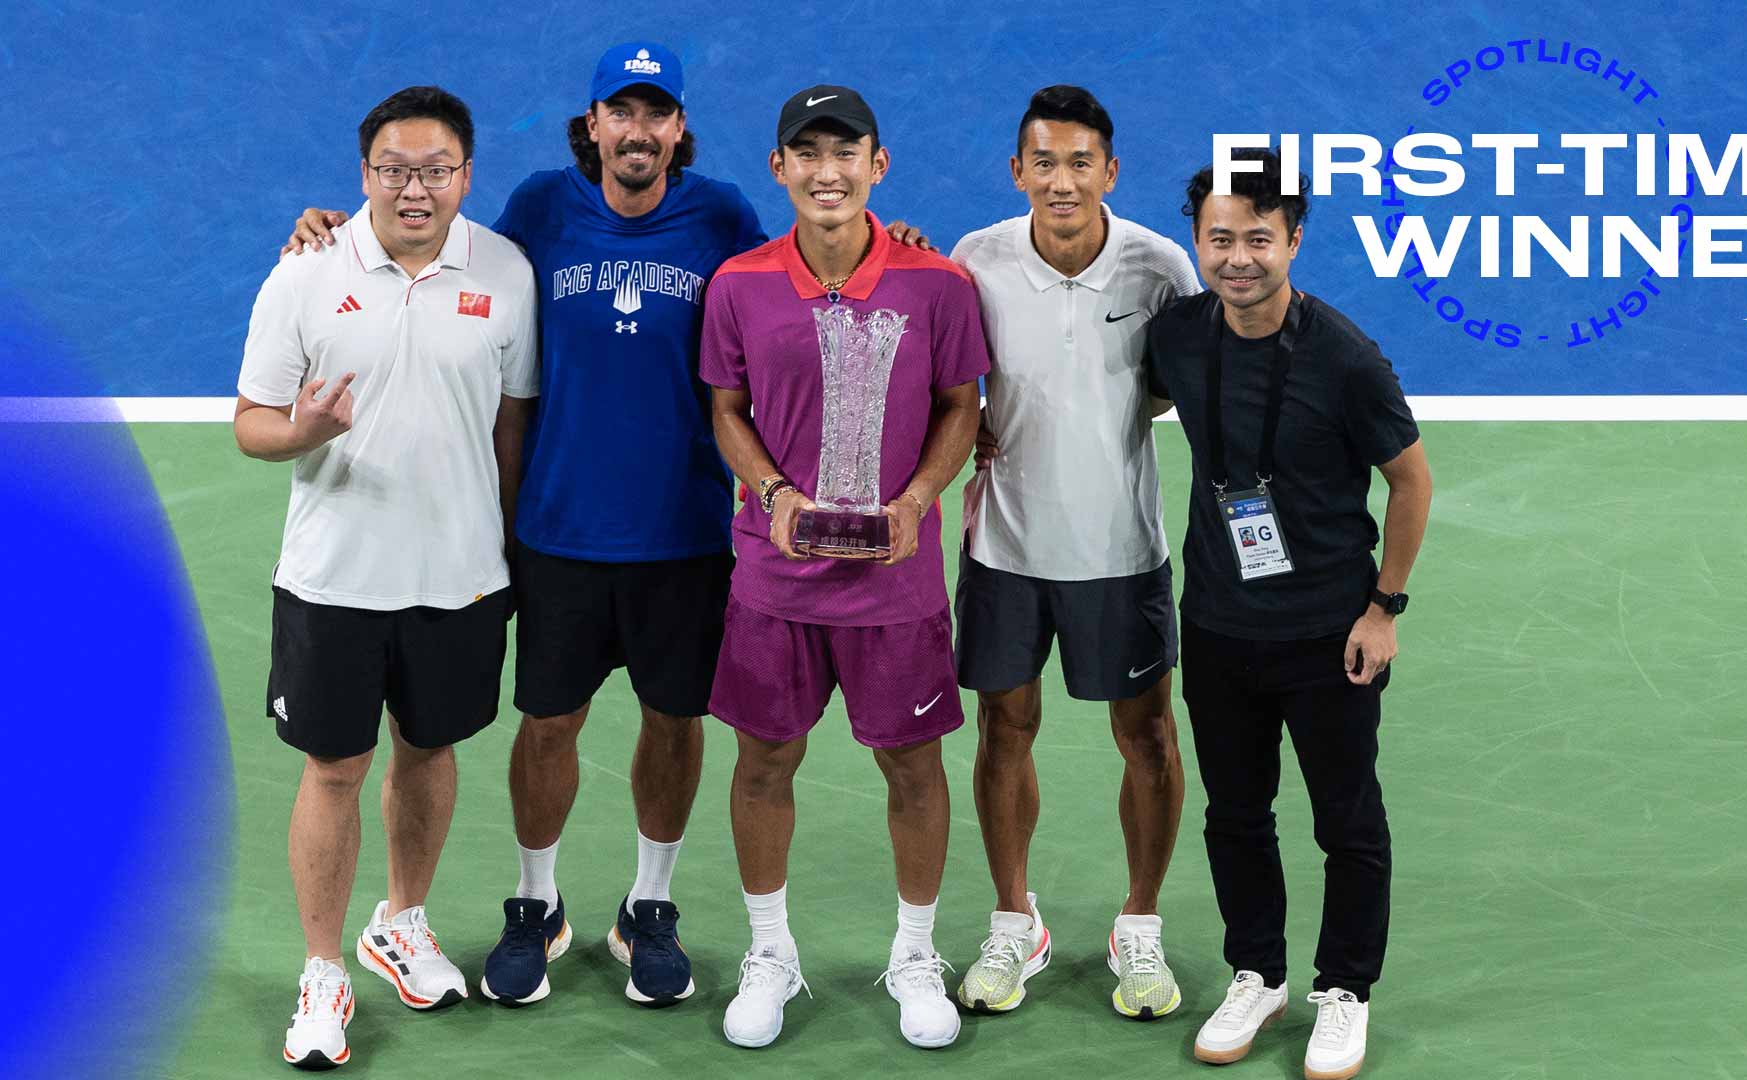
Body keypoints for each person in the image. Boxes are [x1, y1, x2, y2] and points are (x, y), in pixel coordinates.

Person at [282, 41, 762, 1009]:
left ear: (678, 128)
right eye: (617, 115)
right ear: (592, 127)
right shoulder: (541, 209)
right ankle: (537, 906)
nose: (636, 131)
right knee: (549, 724)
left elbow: (796, 274)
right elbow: (446, 253)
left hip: (688, 531)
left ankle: (649, 907)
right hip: (555, 534)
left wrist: (897, 237)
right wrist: (337, 232)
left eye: (655, 114)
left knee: (676, 722)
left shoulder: (723, 215)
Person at [236, 85, 538, 1068]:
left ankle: (400, 923)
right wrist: (303, 432)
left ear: (466, 174)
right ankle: (324, 973)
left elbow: (512, 423)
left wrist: (499, 544)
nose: (415, 189)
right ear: (363, 174)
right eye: (394, 170)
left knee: (430, 750)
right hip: (334, 578)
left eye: (436, 169)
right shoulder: (306, 274)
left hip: (457, 577)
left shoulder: (504, 270)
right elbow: (252, 422)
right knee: (335, 766)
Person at [699, 85, 989, 1050]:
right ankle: (770, 953)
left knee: (912, 764)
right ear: (778, 168)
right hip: (773, 581)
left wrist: (913, 505)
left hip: (894, 582)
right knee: (765, 760)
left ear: (879, 165)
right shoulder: (738, 283)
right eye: (806, 153)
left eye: (846, 152)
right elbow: (727, 412)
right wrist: (775, 498)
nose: (828, 171)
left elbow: (962, 407)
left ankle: (915, 954)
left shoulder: (939, 284)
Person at [1145, 149, 1432, 1079]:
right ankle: (1257, 972)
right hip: (1222, 629)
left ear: (1294, 241)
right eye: (1220, 238)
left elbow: (1412, 481)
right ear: (1197, 241)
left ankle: (1343, 990)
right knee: (1236, 814)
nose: (1239, 258)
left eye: (1259, 239)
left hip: (1328, 634)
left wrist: (1383, 608)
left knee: (1346, 819)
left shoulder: (1346, 358)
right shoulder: (1180, 335)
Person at [945, 85, 1200, 1020]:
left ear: (1110, 171)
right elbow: (942, 373)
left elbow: (1182, 385)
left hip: (1123, 550)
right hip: (1006, 548)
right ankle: (1017, 922)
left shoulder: (1158, 266)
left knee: (1148, 739)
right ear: (1017, 172)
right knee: (1004, 732)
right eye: (1043, 163)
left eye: (1079, 163)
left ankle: (1140, 925)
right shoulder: (976, 261)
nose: (1061, 181)